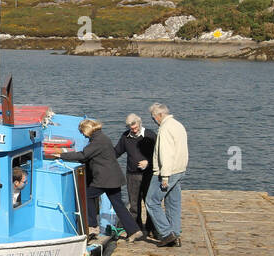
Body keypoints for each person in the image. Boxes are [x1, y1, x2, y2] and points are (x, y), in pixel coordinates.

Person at [57, 119, 142, 240]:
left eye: (82, 131)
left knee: (86, 195)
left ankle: (92, 226)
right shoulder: (102, 137)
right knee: (119, 205)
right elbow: (90, 156)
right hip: (113, 177)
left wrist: (61, 155)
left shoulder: (97, 141)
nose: (82, 134)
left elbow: (83, 155)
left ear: (87, 129)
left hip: (105, 179)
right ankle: (134, 230)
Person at [146, 102, 188, 246]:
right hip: (179, 169)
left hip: (167, 172)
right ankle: (175, 234)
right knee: (173, 203)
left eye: (153, 118)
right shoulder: (178, 125)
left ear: (159, 115)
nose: (154, 121)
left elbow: (166, 154)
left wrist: (164, 177)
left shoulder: (165, 129)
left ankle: (165, 233)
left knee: (151, 202)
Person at [114, 113, 157, 233]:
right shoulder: (125, 136)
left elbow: (158, 155)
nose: (133, 130)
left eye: (135, 127)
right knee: (134, 204)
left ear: (139, 123)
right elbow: (116, 152)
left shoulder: (150, 135)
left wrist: (148, 162)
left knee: (149, 202)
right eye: (131, 128)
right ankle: (135, 229)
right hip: (132, 174)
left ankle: (151, 228)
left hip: (149, 174)